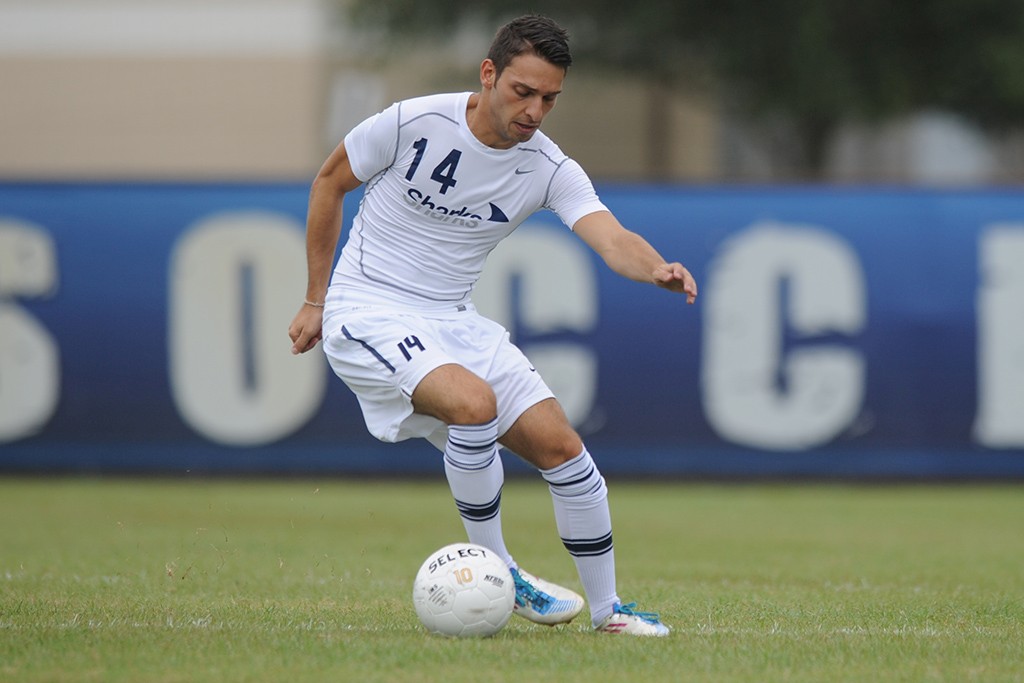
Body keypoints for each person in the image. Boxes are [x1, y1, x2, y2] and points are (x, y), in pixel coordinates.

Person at [288, 14, 697, 637]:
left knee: (565, 451)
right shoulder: (413, 121)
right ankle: (499, 569)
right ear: (488, 73)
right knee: (473, 405)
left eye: (549, 99)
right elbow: (329, 182)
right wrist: (315, 301)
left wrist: (657, 269)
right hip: (368, 308)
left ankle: (609, 613)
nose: (535, 111)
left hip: (456, 321)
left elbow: (612, 238)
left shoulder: (549, 167)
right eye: (523, 91)